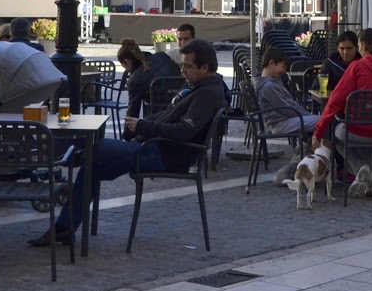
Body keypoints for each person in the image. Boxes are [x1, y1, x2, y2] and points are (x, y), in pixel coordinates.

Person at [29, 39, 227, 247]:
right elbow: (167, 115)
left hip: (166, 154)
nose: (182, 71)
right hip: (156, 147)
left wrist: (142, 126)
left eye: (187, 66)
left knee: (100, 148)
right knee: (93, 164)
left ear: (205, 68)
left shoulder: (207, 93)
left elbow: (185, 131)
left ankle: (72, 160)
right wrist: (144, 123)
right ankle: (64, 228)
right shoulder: (198, 87)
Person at [313, 28, 372, 197]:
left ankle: (362, 169)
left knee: (338, 137)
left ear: (364, 45)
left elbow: (334, 101)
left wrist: (319, 131)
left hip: (358, 129)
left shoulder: (356, 67)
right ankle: (369, 182)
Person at [255, 47, 322, 184]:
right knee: (323, 122)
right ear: (272, 63)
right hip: (280, 123)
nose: (284, 70)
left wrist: (306, 116)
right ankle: (302, 159)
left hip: (285, 120)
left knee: (320, 122)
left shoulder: (271, 83)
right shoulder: (269, 87)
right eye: (283, 66)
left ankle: (301, 156)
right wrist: (305, 116)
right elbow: (286, 109)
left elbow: (290, 104)